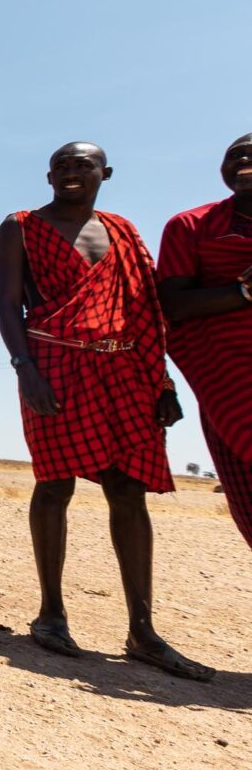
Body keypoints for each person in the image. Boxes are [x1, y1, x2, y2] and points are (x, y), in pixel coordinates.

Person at [0, 142, 212, 681]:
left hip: (126, 369)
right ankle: (51, 614)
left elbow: (147, 309)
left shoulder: (123, 231)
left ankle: (143, 630)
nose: (71, 172)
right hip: (54, 364)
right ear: (48, 176)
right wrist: (25, 369)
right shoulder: (20, 226)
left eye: (83, 165)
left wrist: (163, 381)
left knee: (128, 488)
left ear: (105, 173)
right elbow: (7, 304)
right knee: (54, 483)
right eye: (62, 166)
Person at [158, 133, 252, 550]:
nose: (243, 161)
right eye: (235, 156)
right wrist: (243, 292)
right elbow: (171, 305)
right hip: (231, 387)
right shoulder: (191, 226)